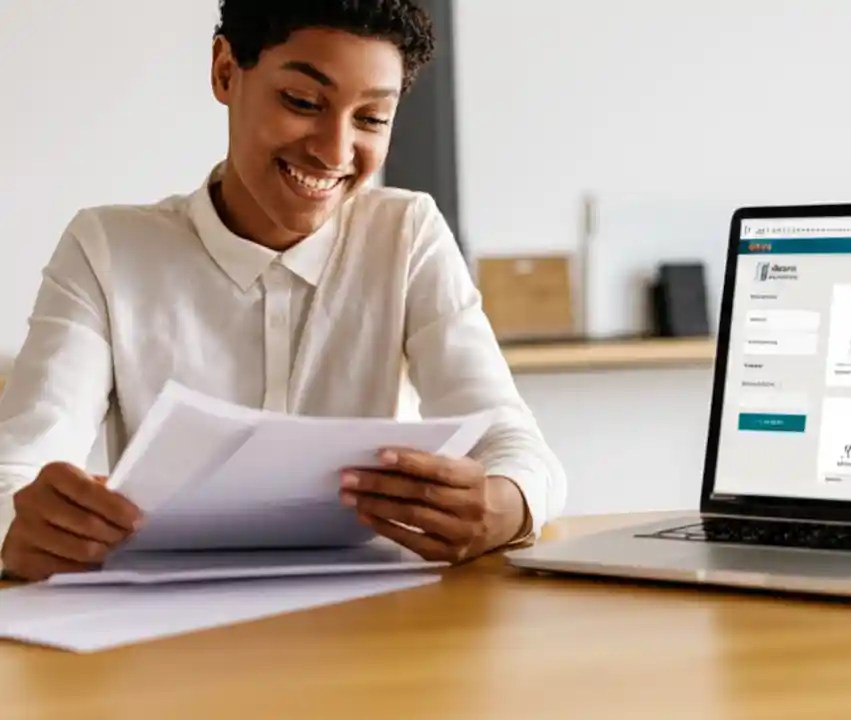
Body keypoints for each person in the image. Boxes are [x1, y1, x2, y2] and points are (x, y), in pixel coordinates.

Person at [0, 0, 566, 581]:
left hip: (371, 615)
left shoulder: (406, 233)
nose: (335, 152)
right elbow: (15, 471)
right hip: (169, 626)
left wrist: (503, 504)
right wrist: (17, 527)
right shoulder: (107, 249)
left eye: (371, 118)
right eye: (302, 102)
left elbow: (517, 447)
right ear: (226, 71)